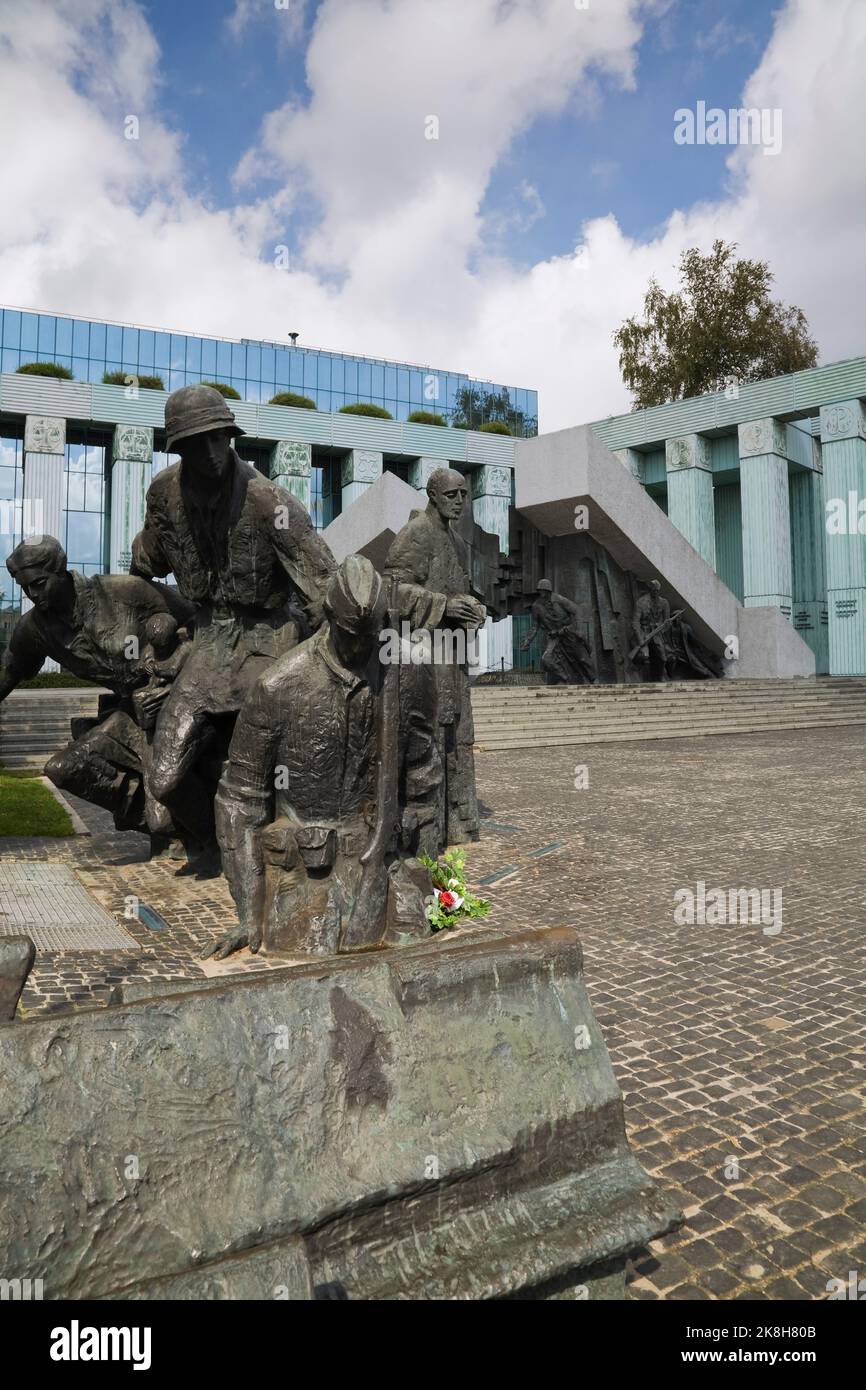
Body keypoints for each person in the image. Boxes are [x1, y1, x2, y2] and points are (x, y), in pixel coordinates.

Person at [129, 384, 337, 873]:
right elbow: (156, 552)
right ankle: (212, 840)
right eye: (196, 442)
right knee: (163, 782)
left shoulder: (270, 502)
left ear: (231, 436)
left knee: (266, 758)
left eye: (219, 438)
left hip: (268, 639)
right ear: (178, 448)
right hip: (208, 643)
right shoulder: (163, 493)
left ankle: (260, 847)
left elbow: (325, 586)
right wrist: (145, 545)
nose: (211, 452)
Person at [204, 555, 436, 960]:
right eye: (351, 635)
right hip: (304, 871)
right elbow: (240, 801)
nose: (362, 646)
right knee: (312, 945)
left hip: (383, 862)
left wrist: (421, 850)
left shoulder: (408, 670)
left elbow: (422, 772)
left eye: (373, 633)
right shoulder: (278, 687)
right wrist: (249, 909)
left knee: (412, 945)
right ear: (329, 618)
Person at [1, 535, 190, 833]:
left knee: (171, 799)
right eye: (24, 588)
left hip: (181, 699)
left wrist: (172, 672)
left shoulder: (124, 591)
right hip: (132, 713)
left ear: (60, 570)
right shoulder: (34, 628)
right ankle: (165, 820)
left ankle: (178, 821)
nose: (32, 595)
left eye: (38, 583)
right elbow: (7, 672)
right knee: (64, 769)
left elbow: (200, 623)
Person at [384, 468, 486, 844]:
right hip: (423, 655)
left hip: (453, 654)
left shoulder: (456, 541)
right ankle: (429, 825)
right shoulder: (415, 534)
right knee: (429, 735)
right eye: (452, 494)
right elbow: (392, 592)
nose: (460, 501)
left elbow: (462, 592)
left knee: (457, 734)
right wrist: (443, 606)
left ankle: (456, 822)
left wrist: (474, 608)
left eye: (464, 494)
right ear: (432, 494)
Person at [520, 579, 597, 685]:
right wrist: (527, 641)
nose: (542, 593)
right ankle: (566, 678)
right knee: (546, 659)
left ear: (548, 591)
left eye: (544, 590)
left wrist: (579, 629)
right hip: (553, 636)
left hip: (568, 632)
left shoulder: (559, 599)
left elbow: (577, 610)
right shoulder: (536, 606)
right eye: (540, 590)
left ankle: (593, 679)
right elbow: (535, 626)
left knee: (582, 657)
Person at [631, 578, 675, 683]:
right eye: (653, 590)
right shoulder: (641, 602)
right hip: (644, 631)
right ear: (650, 589)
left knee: (663, 658)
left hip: (656, 632)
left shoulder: (664, 603)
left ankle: (659, 678)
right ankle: (646, 681)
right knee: (644, 656)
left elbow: (667, 622)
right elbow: (635, 622)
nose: (655, 592)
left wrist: (662, 627)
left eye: (657, 590)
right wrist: (640, 638)